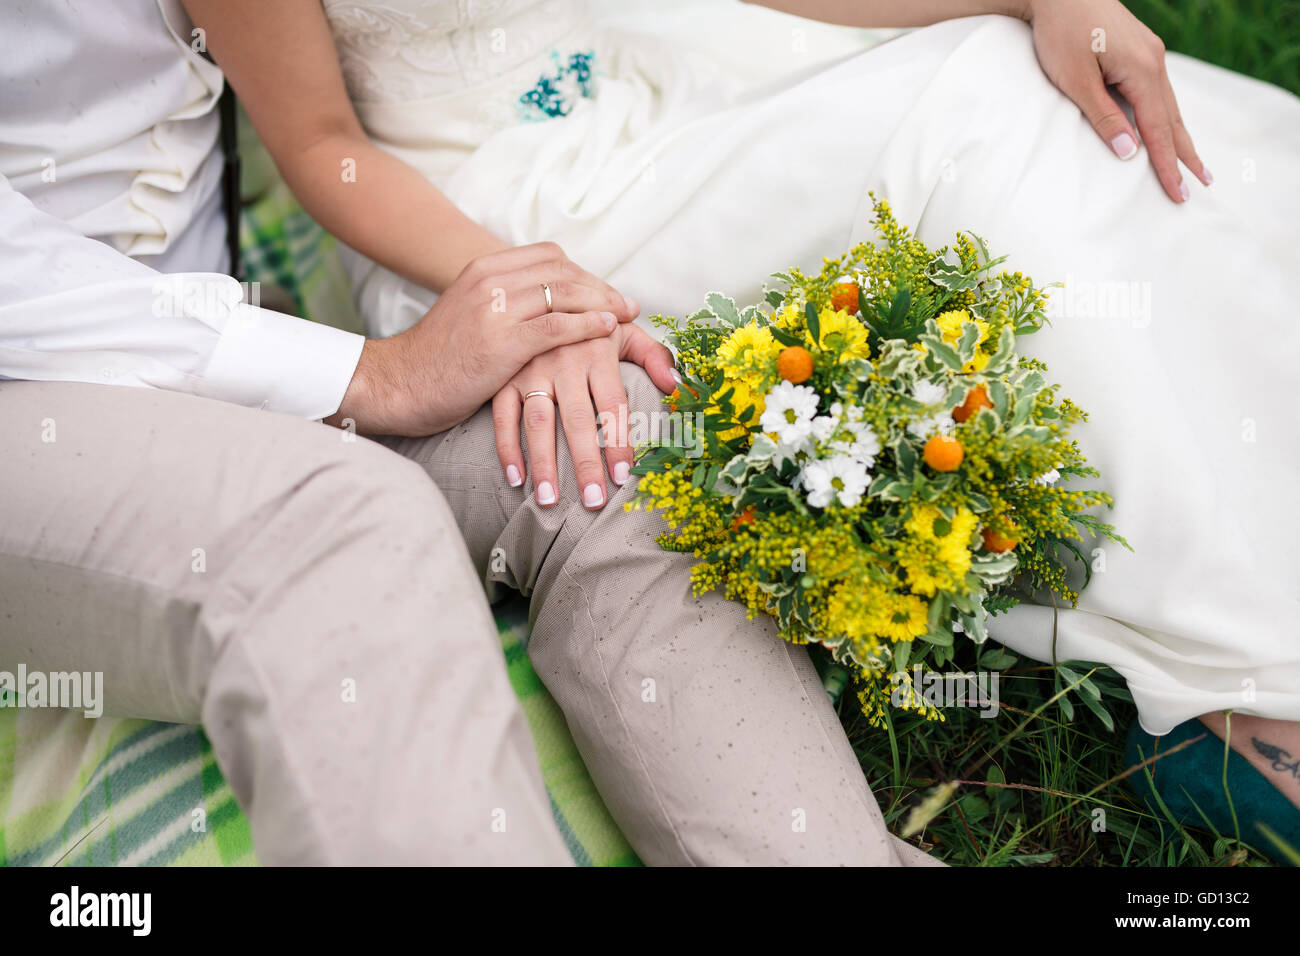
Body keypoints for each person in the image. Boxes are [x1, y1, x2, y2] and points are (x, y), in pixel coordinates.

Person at [186, 0, 1300, 857]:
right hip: (489, 204)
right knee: (973, 139)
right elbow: (319, 142)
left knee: (1008, 74)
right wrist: (527, 290)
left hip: (673, 59)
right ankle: (1222, 672)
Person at [0, 0, 938, 866]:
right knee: (345, 531)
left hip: (223, 322)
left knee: (603, 436)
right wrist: (377, 375)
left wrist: (529, 310)